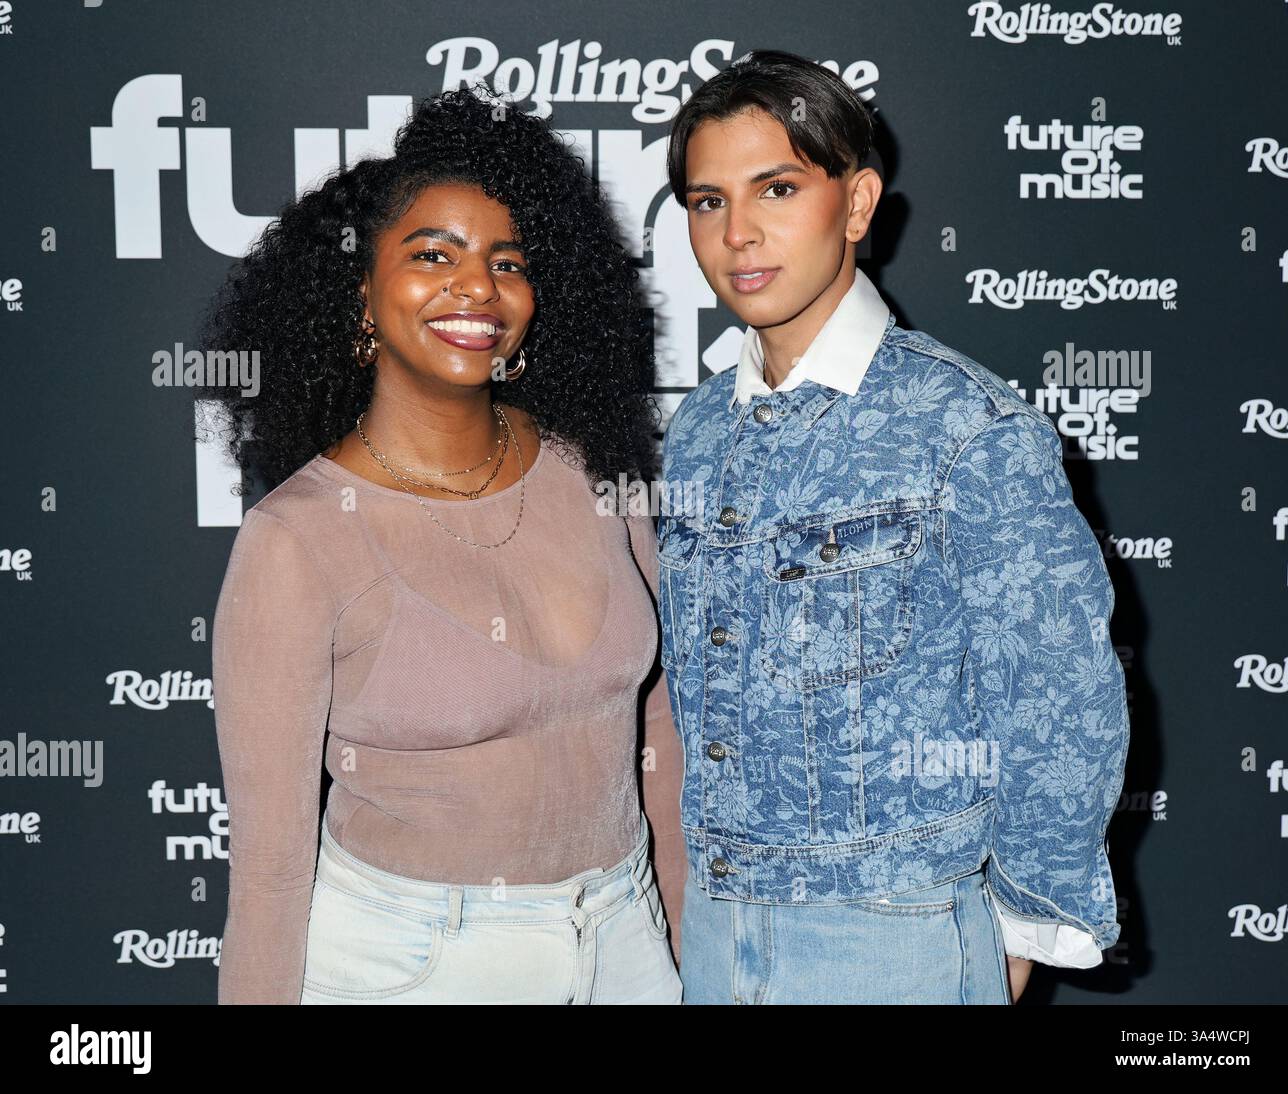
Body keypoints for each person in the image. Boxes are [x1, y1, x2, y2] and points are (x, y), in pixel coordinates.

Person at [656, 49, 1130, 1004]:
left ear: (859, 204)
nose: (739, 233)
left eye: (777, 188)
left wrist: (1028, 917)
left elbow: (1059, 687)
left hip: (894, 934)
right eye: (708, 202)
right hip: (714, 929)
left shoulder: (967, 426)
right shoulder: (697, 432)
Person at [198, 86, 685, 1004]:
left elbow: (658, 738)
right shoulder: (295, 541)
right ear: (361, 299)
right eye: (433, 255)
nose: (477, 288)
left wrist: (685, 953)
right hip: (417, 964)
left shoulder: (595, 472)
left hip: (626, 937)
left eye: (507, 262)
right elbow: (266, 875)